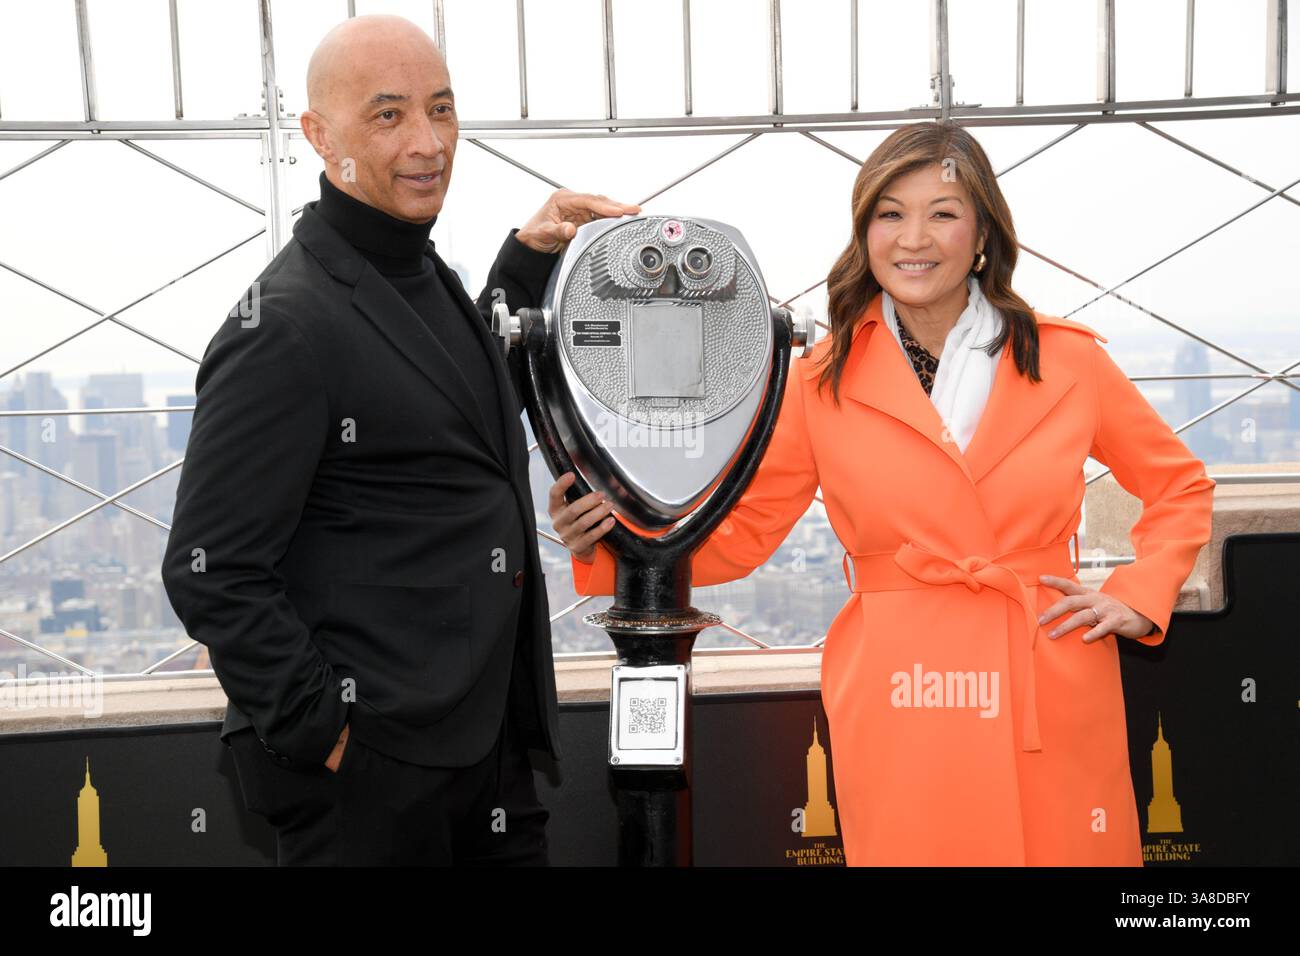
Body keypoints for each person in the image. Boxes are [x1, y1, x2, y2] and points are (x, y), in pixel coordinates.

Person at [550, 122, 1215, 866]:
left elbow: (1179, 486)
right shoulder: (818, 381)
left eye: (943, 212)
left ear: (983, 233)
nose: (913, 237)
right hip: (904, 692)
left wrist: (1139, 589)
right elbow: (742, 535)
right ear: (864, 232)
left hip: (1047, 677)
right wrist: (618, 549)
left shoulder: (1069, 361)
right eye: (890, 213)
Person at [161, 14, 638, 866]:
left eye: (442, 109)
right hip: (374, 780)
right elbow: (211, 568)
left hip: (483, 752)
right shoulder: (285, 323)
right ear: (318, 134)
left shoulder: (418, 274)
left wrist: (526, 260)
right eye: (388, 116)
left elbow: (445, 398)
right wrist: (327, 732)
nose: (428, 142)